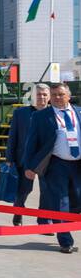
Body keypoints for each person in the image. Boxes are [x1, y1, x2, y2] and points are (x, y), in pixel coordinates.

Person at [23, 82, 81, 254]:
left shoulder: (79, 112)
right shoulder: (41, 117)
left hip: (78, 164)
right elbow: (31, 143)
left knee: (77, 199)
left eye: (60, 94)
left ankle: (66, 224)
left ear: (68, 96)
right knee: (60, 201)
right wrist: (29, 166)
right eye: (54, 95)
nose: (56, 98)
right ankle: (65, 240)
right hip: (56, 164)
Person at [7, 83, 50, 225]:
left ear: (49, 97)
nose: (42, 98)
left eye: (44, 95)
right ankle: (18, 211)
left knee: (47, 191)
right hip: (25, 158)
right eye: (38, 94)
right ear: (32, 96)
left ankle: (44, 220)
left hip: (48, 159)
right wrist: (10, 158)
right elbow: (13, 136)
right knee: (23, 190)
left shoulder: (54, 113)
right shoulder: (21, 113)